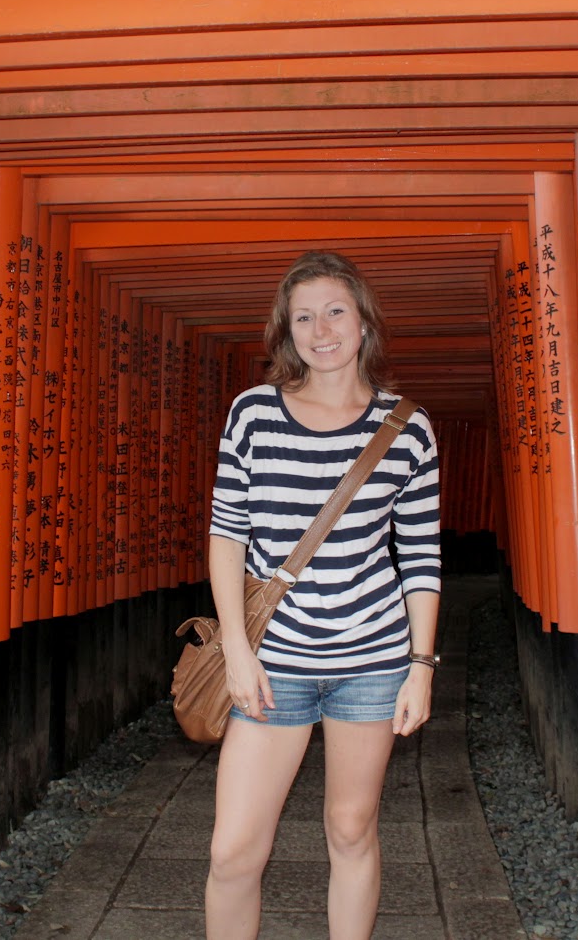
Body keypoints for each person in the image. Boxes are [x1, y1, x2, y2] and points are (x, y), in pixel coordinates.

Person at [203, 251, 441, 940]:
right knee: (233, 850)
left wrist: (420, 668)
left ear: (364, 323)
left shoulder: (408, 428)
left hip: (371, 659)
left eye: (336, 310)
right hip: (273, 660)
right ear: (286, 332)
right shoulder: (253, 415)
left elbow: (421, 556)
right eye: (303, 316)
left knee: (350, 828)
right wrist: (238, 651)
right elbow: (227, 536)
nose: (322, 328)